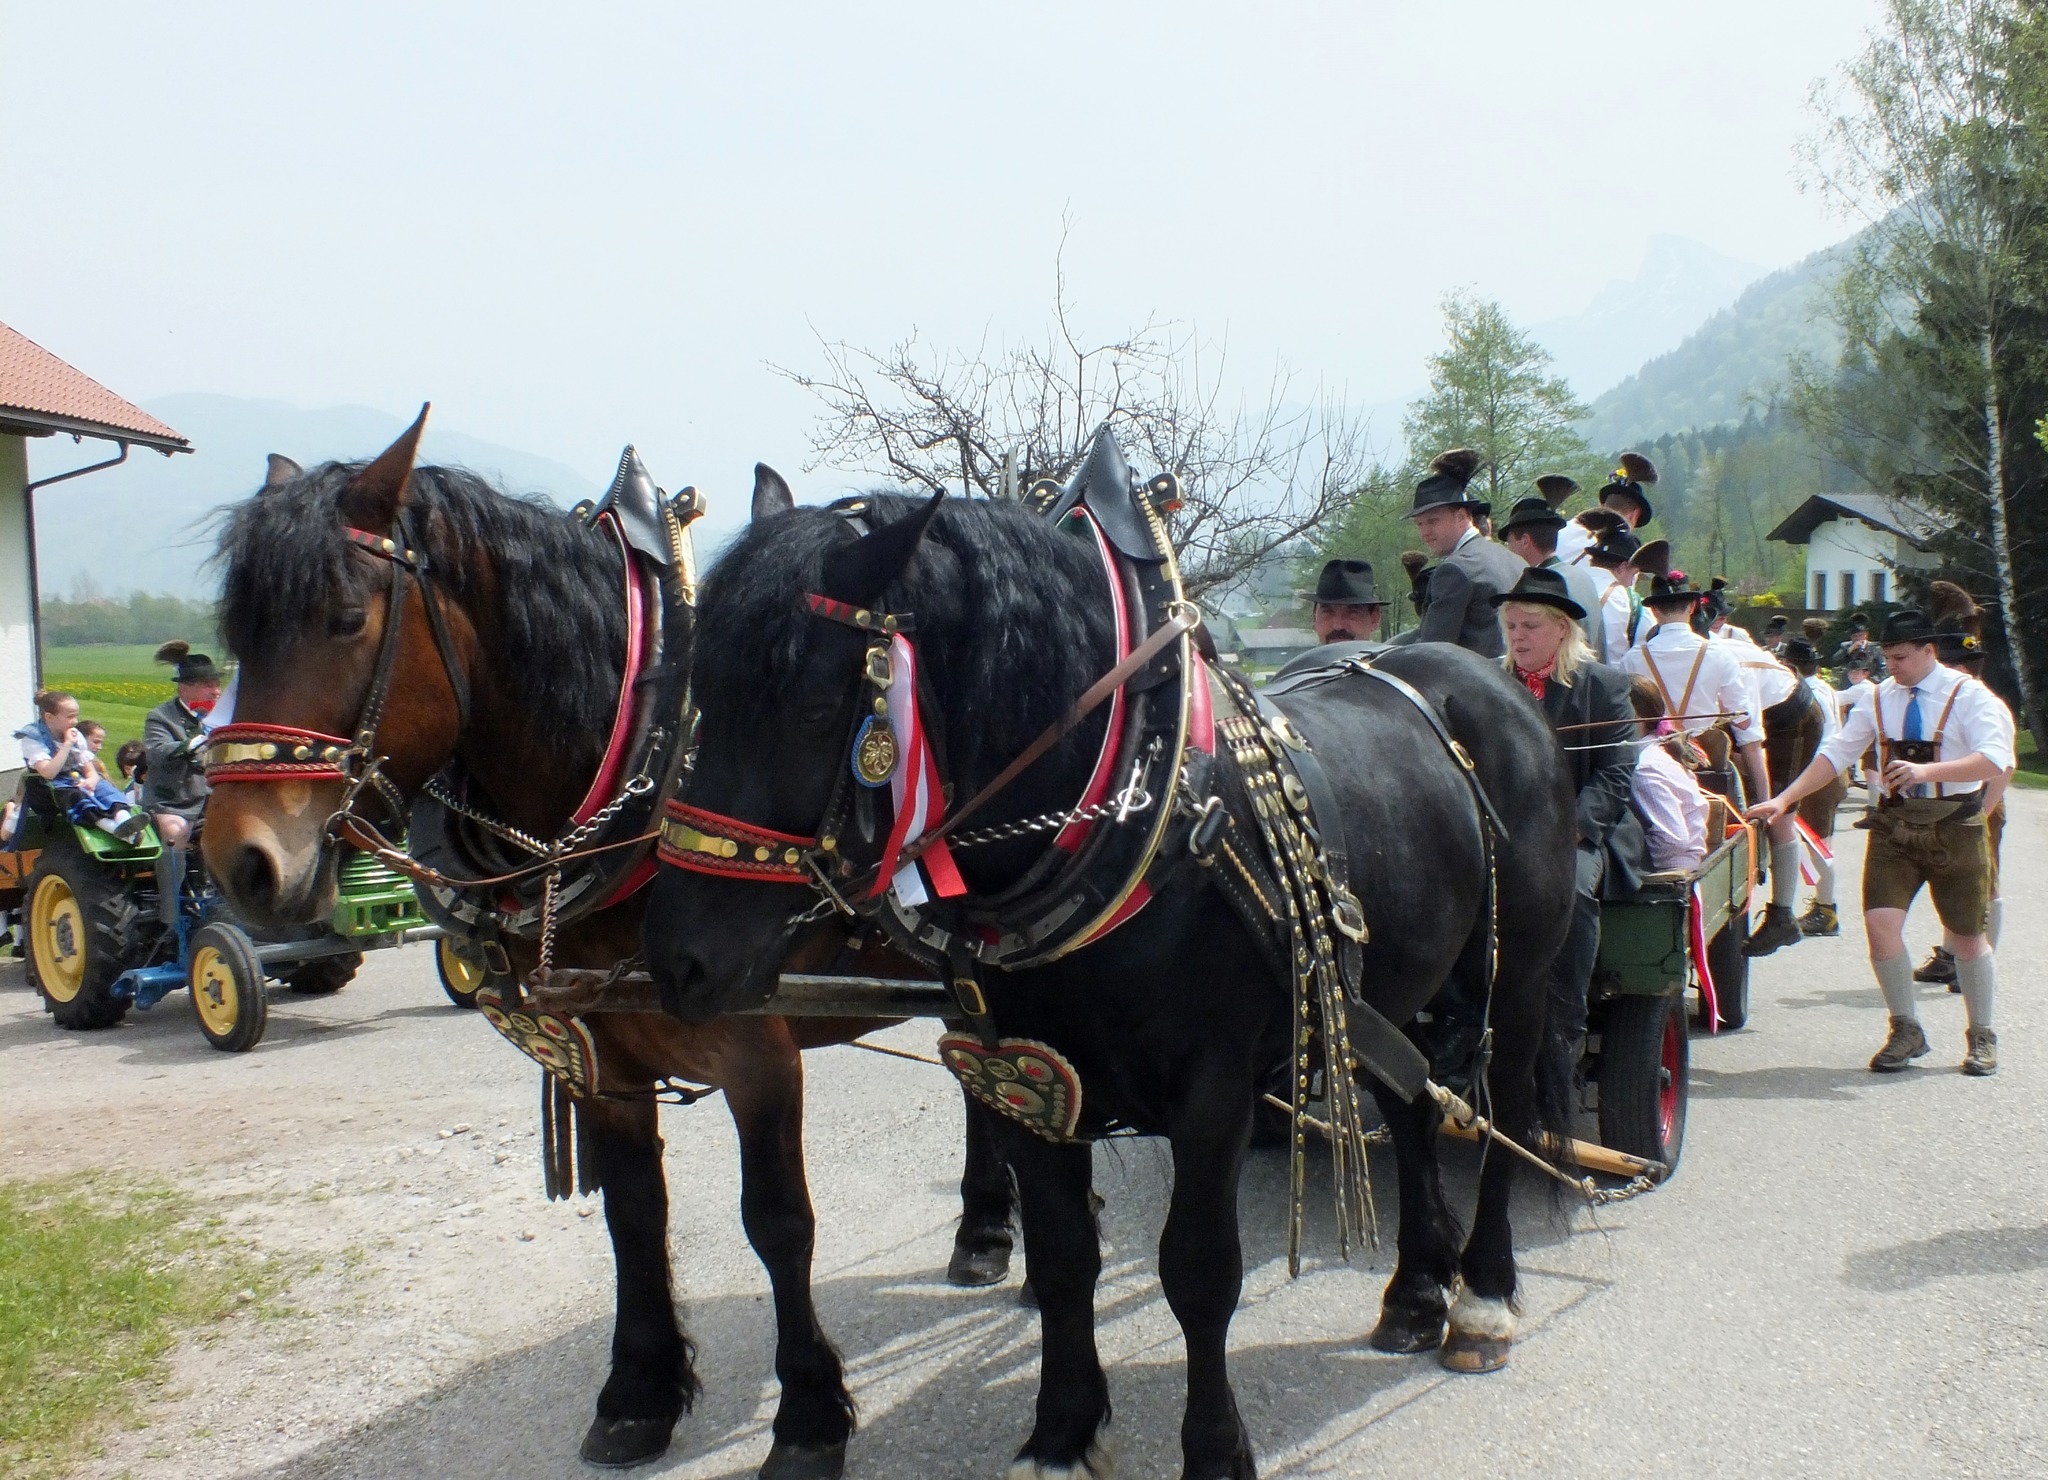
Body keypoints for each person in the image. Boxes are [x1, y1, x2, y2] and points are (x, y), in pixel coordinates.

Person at [1747, 607, 2013, 1076]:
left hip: (1956, 822)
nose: (1892, 666)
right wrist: (1784, 798)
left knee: (1968, 937)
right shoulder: (1878, 698)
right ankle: (1906, 1029)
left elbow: (1994, 759)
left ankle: (1982, 1035)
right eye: (1888, 657)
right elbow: (1838, 752)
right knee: (1880, 927)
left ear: (1929, 652)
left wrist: (1928, 771)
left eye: (1902, 658)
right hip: (1894, 825)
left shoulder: (1970, 697)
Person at [1491, 566, 1645, 1055]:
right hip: (1502, 831)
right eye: (1512, 626)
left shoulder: (1602, 686)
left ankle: (1565, 1019)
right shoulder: (1489, 683)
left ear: (1562, 627)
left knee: (1571, 889)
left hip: (1580, 832)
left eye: (1530, 626)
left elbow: (1616, 774)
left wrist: (1569, 832)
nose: (1518, 636)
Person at [1620, 568, 1795, 950]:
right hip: (1710, 771)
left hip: (1649, 765)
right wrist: (1765, 801)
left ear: (1655, 610)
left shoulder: (1635, 658)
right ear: (1693, 606)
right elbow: (1750, 734)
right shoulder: (1718, 654)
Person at [1914, 582, 2014, 988]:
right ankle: (1951, 955)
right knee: (1955, 882)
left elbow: (2002, 767)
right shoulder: (1954, 699)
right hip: (1957, 801)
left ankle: (1976, 959)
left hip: (1982, 799)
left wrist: (1982, 810)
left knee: (1984, 882)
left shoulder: (1983, 703)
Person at [1712, 609, 1821, 956]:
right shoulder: (1708, 654)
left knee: (1780, 815)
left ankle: (1783, 915)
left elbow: (1751, 740)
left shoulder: (1731, 667)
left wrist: (1765, 804)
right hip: (1766, 718)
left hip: (1793, 717)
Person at [1408, 448, 1524, 658]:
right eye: (1419, 524)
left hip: (1476, 686)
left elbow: (1431, 652)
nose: (1425, 532)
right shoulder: (1515, 560)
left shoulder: (1454, 569)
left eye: (1433, 521)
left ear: (1461, 516)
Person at [13, 689, 151, 842]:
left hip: (74, 779)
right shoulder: (32, 737)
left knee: (103, 788)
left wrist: (91, 781)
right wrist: (67, 745)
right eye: (70, 717)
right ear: (49, 717)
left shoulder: (75, 734)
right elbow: (48, 773)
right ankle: (118, 831)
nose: (75, 721)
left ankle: (126, 822)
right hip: (47, 787)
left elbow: (89, 770)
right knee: (77, 797)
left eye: (76, 716)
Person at [1783, 626, 1848, 938]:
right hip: (1830, 770)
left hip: (1818, 773)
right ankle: (1823, 905)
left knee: (1818, 845)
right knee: (1817, 843)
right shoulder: (1823, 688)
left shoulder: (1802, 694)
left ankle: (1827, 909)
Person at [1497, 483, 1606, 657]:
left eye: (1509, 542)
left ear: (1525, 541)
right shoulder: (1581, 576)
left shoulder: (1546, 588)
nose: (1509, 549)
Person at [142, 640, 225, 848]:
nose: (216, 691)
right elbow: (158, 753)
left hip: (215, 800)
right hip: (174, 803)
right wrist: (198, 740)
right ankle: (172, 882)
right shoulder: (160, 717)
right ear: (184, 688)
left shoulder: (222, 715)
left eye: (217, 684)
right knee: (174, 834)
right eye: (208, 685)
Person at [1625, 677, 1710, 873]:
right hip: (1683, 867)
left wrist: (1628, 859)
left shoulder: (1644, 768)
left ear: (1635, 717)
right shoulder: (1657, 751)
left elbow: (1673, 840)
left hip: (1668, 875)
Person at [1272, 559, 1390, 679]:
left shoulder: (1393, 678)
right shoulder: (1294, 679)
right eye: (1327, 612)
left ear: (1375, 618)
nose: (1338, 625)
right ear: (1314, 617)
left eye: (1352, 612)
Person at [1834, 613, 1884, 680]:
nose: (1858, 638)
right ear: (1851, 637)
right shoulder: (1845, 646)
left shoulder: (1875, 647)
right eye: (1854, 636)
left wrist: (1871, 681)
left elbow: (1882, 669)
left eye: (1860, 635)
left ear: (1866, 634)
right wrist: (1849, 650)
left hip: (1870, 683)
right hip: (1849, 684)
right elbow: (1835, 661)